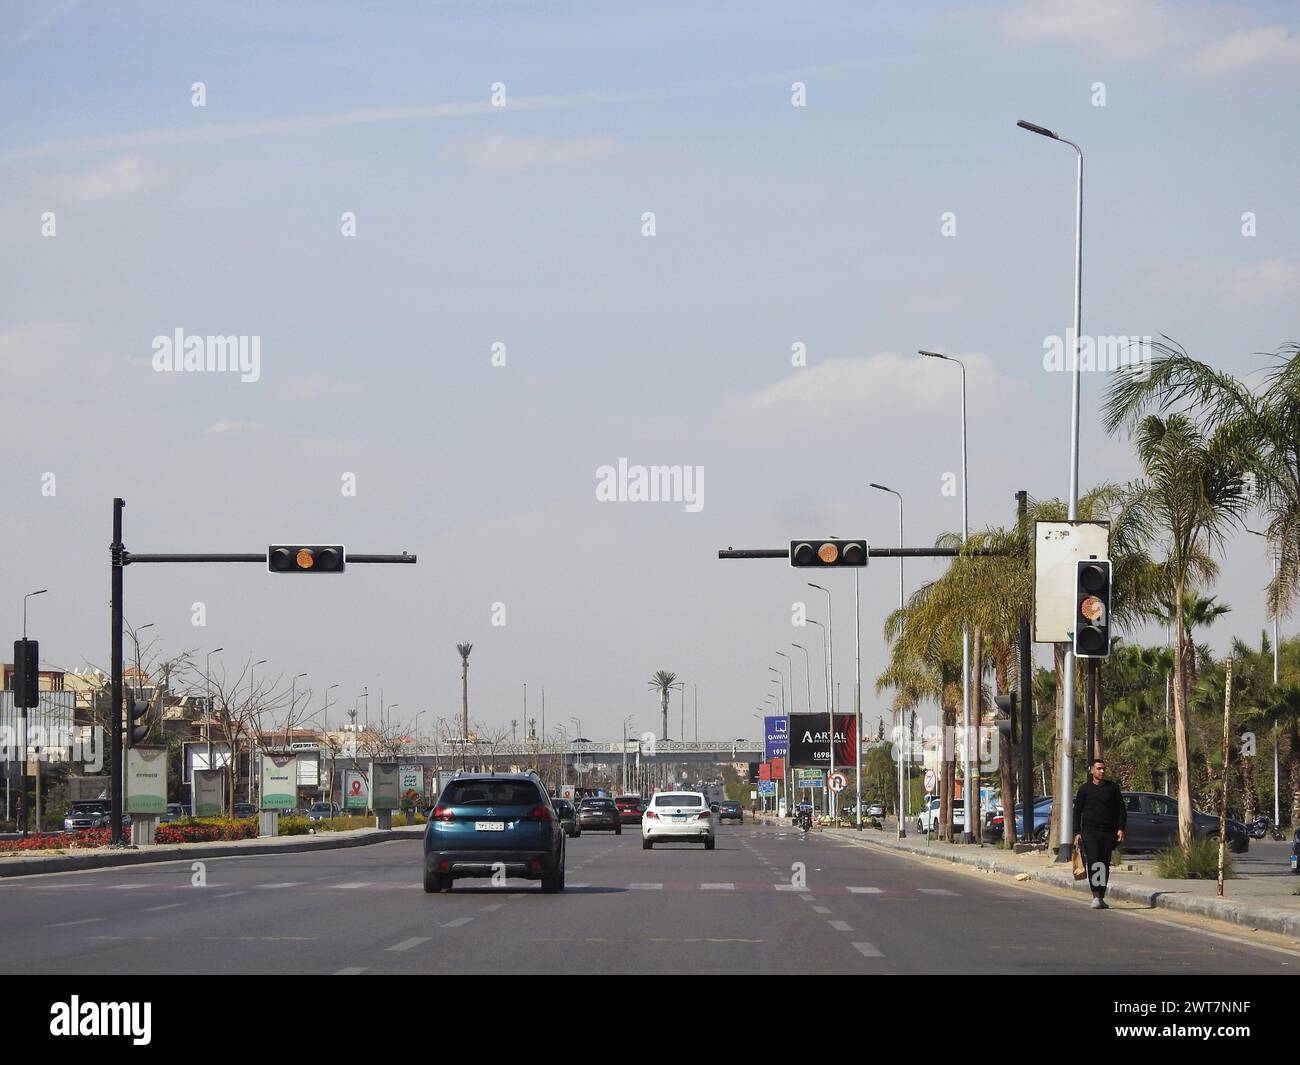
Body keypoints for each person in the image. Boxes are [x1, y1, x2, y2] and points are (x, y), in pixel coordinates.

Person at [1073, 757, 1126, 909]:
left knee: (1103, 864)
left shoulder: (1112, 788)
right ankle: (1095, 895)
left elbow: (1121, 809)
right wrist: (1077, 832)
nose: (1102, 771)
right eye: (1098, 768)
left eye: (1103, 769)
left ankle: (1101, 896)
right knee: (1094, 861)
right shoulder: (1085, 789)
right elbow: (1077, 811)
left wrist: (1121, 828)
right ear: (1092, 770)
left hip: (1108, 832)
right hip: (1090, 831)